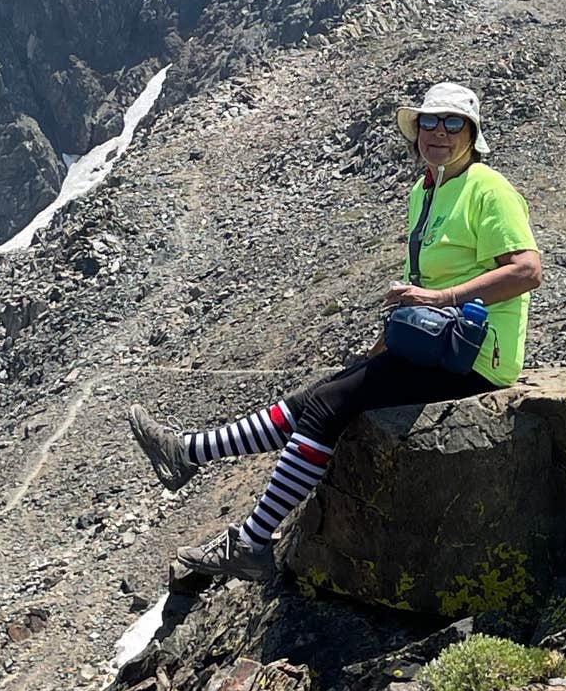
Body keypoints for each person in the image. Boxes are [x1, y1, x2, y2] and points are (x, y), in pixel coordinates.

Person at [128, 82, 542, 583]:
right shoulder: (426, 191)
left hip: (472, 357)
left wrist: (442, 299)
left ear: (472, 135)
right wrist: (388, 342)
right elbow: (420, 284)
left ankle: (252, 541)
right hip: (434, 345)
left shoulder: (489, 189)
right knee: (314, 397)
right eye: (429, 122)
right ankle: (188, 453)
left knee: (327, 407)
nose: (439, 132)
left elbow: (527, 271)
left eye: (453, 123)